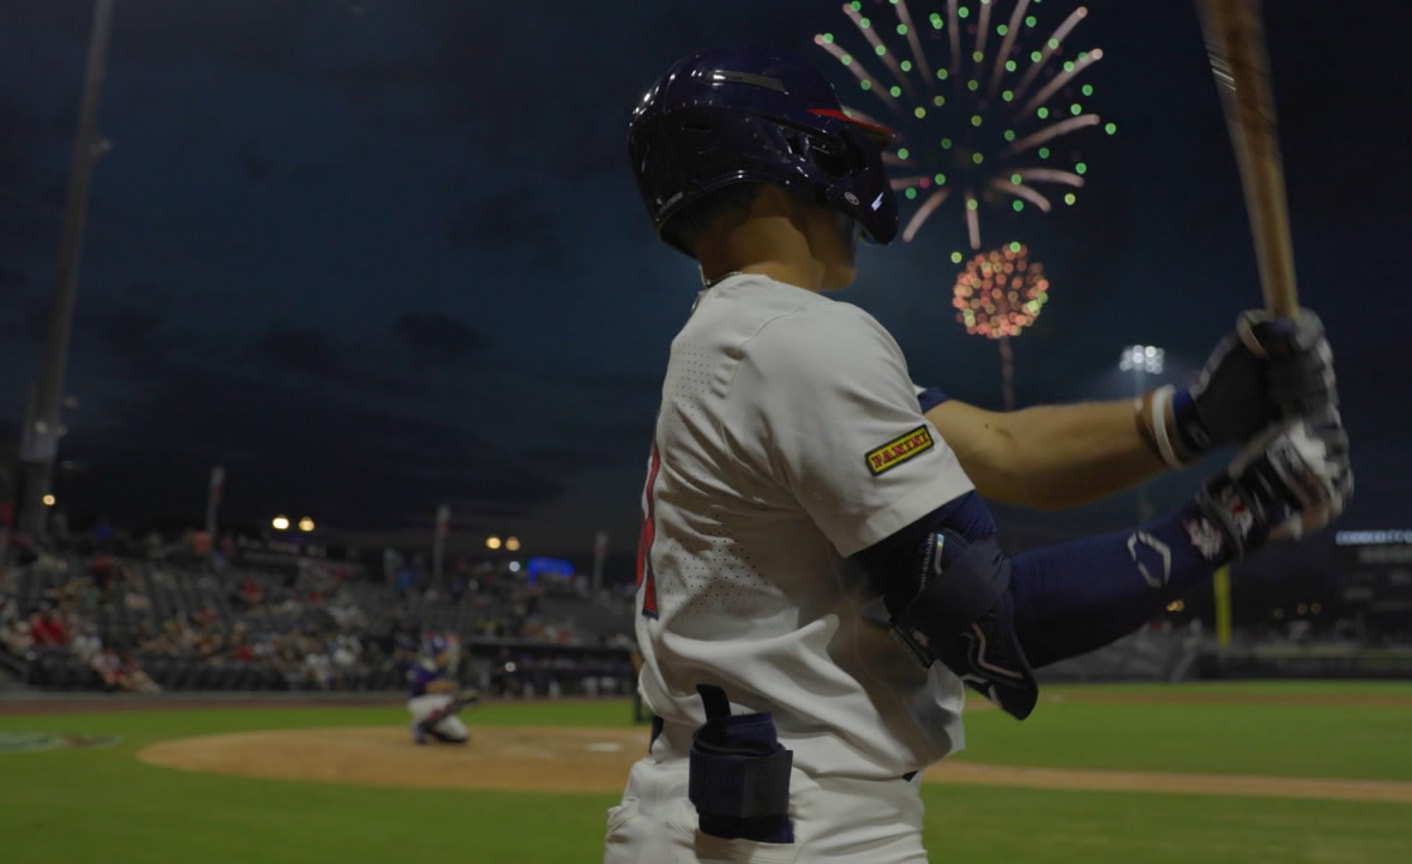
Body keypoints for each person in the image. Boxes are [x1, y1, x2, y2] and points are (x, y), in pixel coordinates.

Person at [606, 47, 1350, 864]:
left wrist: (1200, 417)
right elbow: (991, 615)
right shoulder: (798, 338)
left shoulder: (738, 338)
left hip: (728, 817)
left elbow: (1005, 449)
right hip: (802, 830)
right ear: (795, 156)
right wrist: (1245, 510)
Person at [405, 637, 477, 745]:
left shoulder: (444, 668)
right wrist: (447, 686)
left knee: (460, 735)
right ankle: (422, 726)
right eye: (443, 652)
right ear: (436, 654)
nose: (447, 655)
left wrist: (450, 687)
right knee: (455, 701)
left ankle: (428, 727)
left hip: (436, 705)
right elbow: (427, 687)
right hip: (420, 703)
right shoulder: (428, 666)